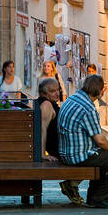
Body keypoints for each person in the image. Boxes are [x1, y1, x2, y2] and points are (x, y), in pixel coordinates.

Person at [57, 75, 108, 208]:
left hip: (65, 153)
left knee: (104, 157)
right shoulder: (88, 108)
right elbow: (100, 140)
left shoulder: (72, 99)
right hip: (78, 156)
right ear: (101, 90)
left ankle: (94, 197)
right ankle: (100, 198)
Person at [36, 76, 82, 206]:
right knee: (93, 156)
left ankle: (72, 184)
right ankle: (72, 185)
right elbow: (42, 129)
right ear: (43, 93)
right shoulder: (46, 105)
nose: (57, 93)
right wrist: (42, 154)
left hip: (60, 147)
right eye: (52, 91)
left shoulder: (47, 103)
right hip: (58, 150)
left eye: (58, 90)